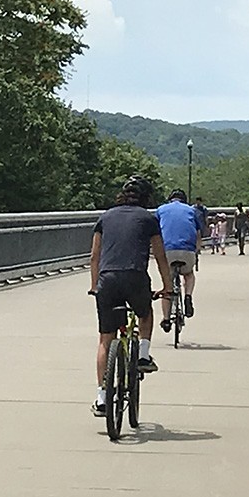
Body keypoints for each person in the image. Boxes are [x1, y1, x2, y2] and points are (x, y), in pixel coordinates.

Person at [88, 175, 172, 417]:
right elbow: (160, 256)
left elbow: (94, 256)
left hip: (108, 280)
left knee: (105, 339)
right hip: (135, 277)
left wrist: (94, 286)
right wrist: (167, 287)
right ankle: (143, 355)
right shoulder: (148, 219)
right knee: (145, 314)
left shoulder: (105, 217)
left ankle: (102, 398)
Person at [156, 189, 203, 328]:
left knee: (167, 284)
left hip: (167, 250)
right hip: (187, 250)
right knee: (188, 274)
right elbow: (198, 233)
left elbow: (155, 232)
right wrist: (196, 251)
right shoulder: (192, 211)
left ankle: (165, 319)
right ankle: (188, 296)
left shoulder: (161, 210)